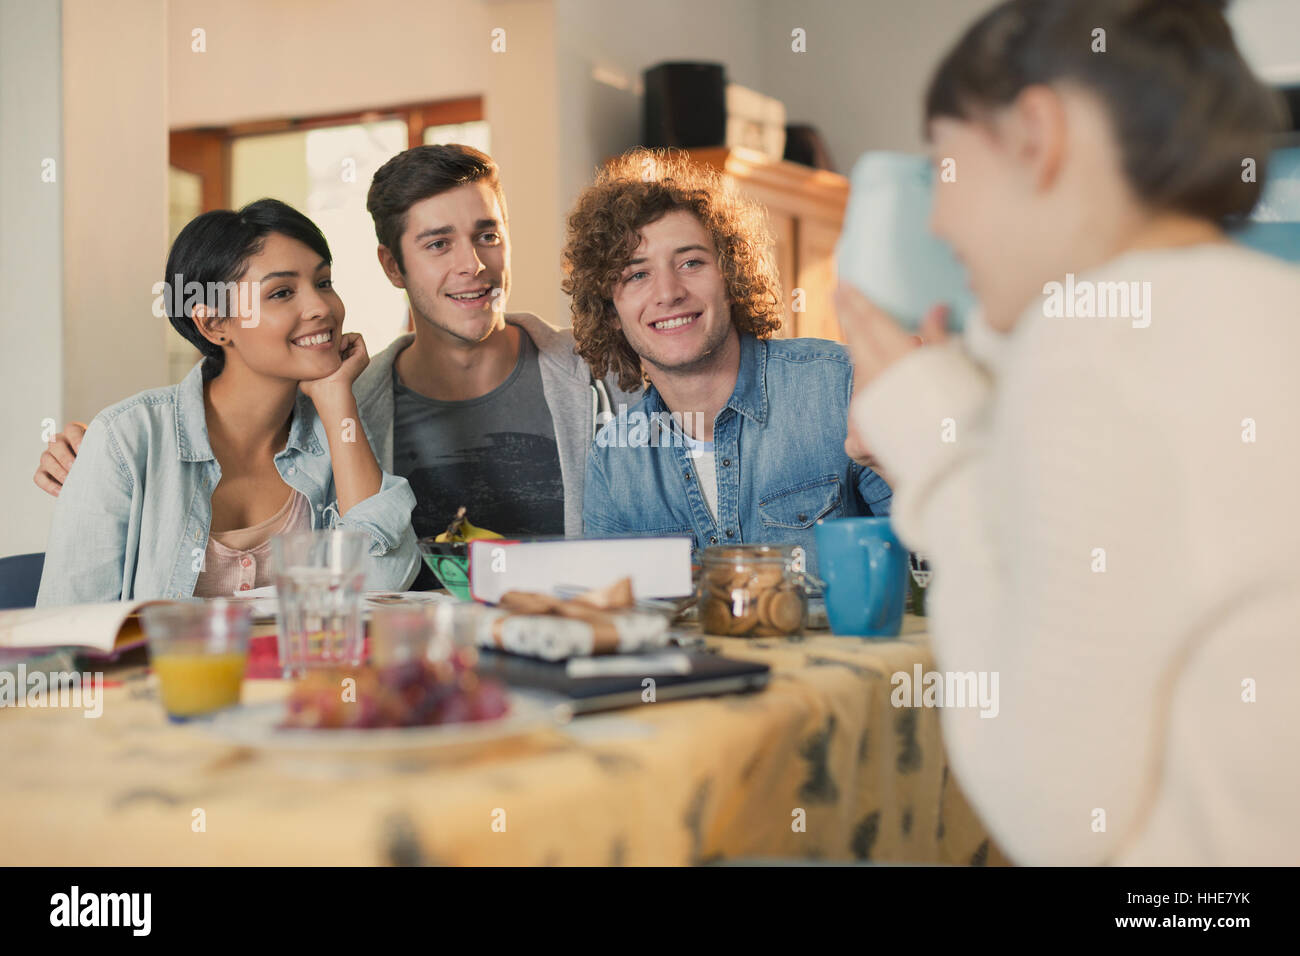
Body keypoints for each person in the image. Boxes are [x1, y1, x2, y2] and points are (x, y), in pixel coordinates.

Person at [838, 0, 1299, 865]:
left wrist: (934, 446)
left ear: (1035, 135)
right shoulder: (1263, 307)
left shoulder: (1089, 345)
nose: (936, 220)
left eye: (943, 164)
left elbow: (1049, 817)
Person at [37, 145, 637, 587]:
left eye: (488, 236)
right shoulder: (353, 412)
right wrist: (103, 460)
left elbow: (376, 582)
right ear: (392, 267)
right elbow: (66, 645)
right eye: (281, 293)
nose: (473, 265)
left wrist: (334, 401)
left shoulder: (600, 377)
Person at [36, 200, 420, 605]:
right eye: (282, 292)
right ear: (215, 324)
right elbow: (67, 631)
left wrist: (337, 398)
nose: (321, 307)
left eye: (323, 283)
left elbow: (382, 588)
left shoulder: (339, 434)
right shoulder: (126, 440)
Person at [564, 150, 892, 577]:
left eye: (691, 262)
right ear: (610, 310)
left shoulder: (839, 386)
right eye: (637, 275)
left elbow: (943, 557)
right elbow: (619, 616)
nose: (668, 292)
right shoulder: (615, 462)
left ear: (731, 279)